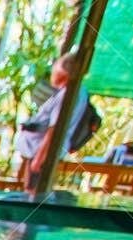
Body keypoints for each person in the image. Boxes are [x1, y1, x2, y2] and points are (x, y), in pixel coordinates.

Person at [16, 53, 94, 189]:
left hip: (41, 154)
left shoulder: (69, 95)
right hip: (39, 153)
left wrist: (38, 160)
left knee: (32, 195)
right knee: (32, 195)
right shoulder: (77, 92)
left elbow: (54, 130)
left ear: (63, 72)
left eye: (54, 69)